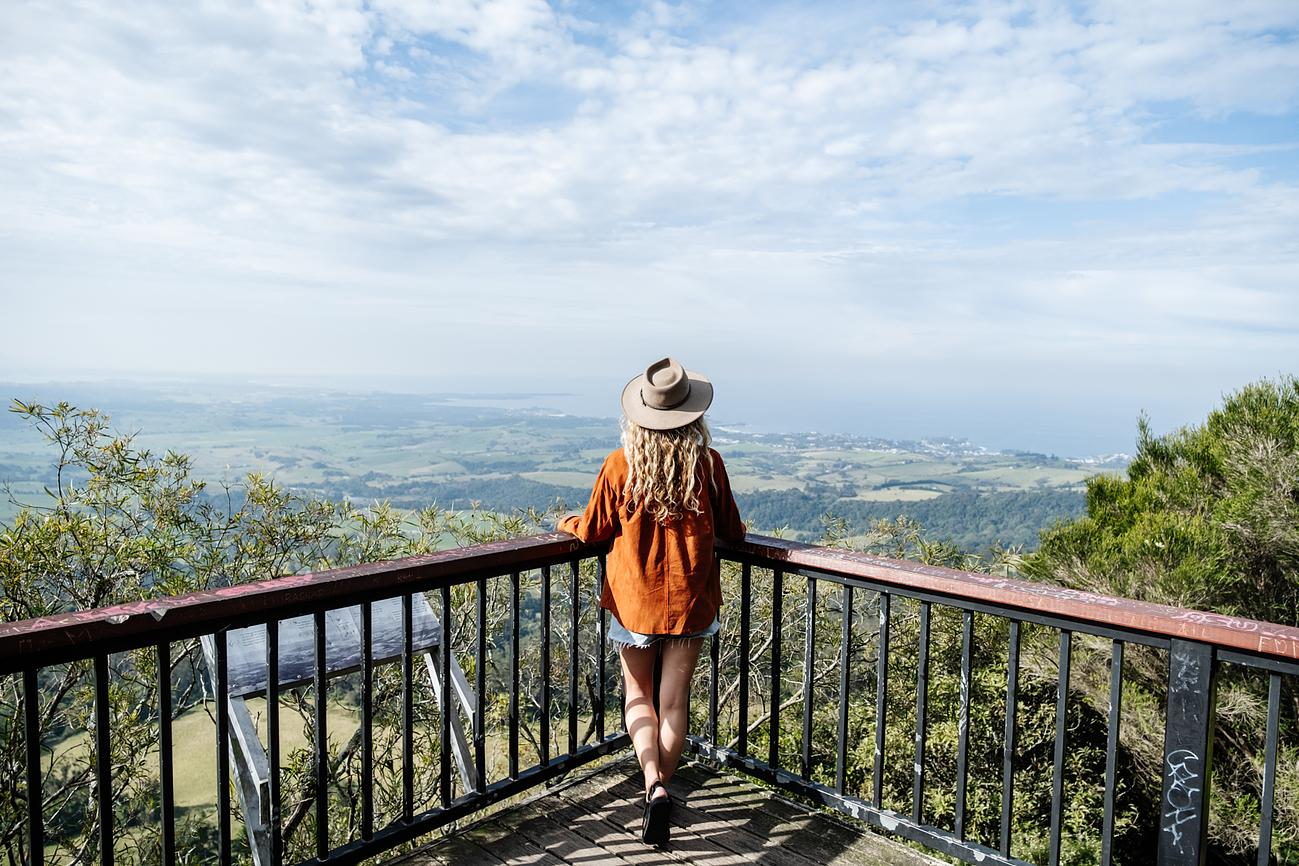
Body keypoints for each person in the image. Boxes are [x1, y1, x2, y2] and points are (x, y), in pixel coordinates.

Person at [558, 357, 745, 847]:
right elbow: (734, 530)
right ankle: (662, 789)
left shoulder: (620, 465)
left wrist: (567, 523)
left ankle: (652, 785)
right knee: (674, 702)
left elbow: (592, 530)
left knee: (637, 696)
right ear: (692, 415)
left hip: (633, 603)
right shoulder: (708, 465)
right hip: (690, 601)